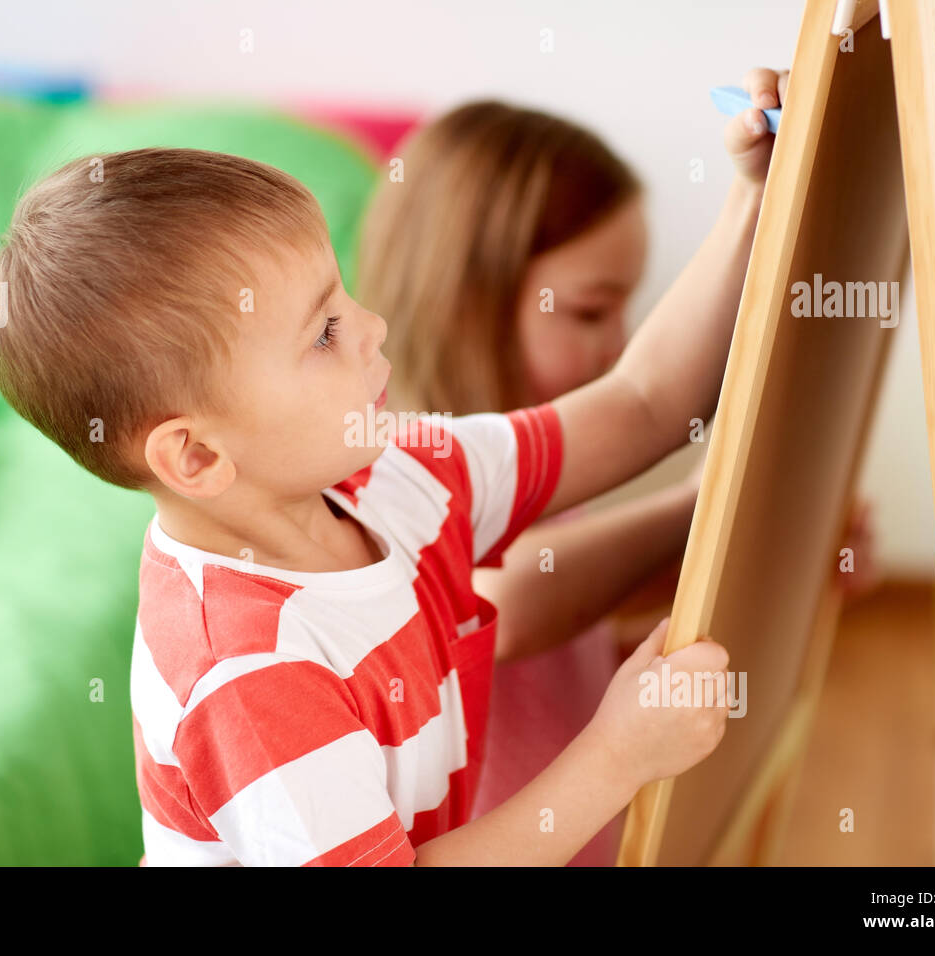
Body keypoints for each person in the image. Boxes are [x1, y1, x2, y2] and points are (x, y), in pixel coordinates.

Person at [0, 67, 784, 865]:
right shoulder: (248, 675)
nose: (374, 327)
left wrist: (754, 197)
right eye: (322, 332)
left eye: (342, 296)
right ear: (198, 454)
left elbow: (644, 403)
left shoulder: (395, 476)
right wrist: (617, 756)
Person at [357, 74, 876, 865]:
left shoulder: (531, 489)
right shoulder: (389, 464)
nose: (616, 341)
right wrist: (714, 506)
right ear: (468, 300)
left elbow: (578, 639)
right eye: (592, 312)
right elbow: (514, 603)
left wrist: (789, 560)